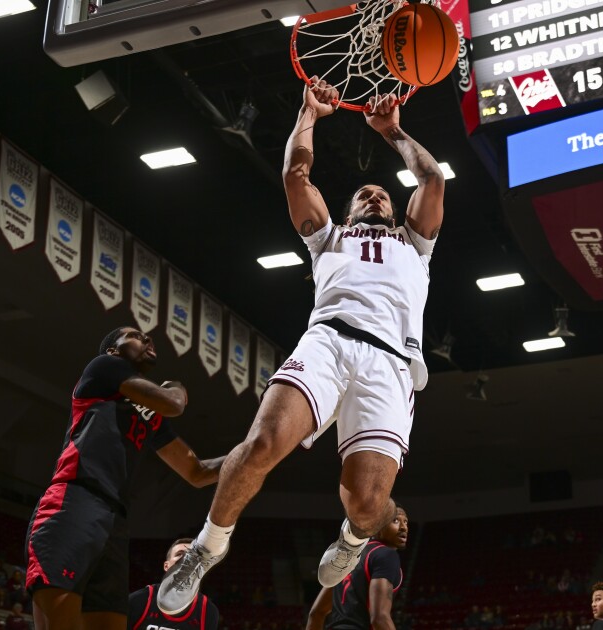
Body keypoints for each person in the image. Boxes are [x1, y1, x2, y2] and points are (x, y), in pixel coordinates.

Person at [158, 79, 446, 614]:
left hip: (391, 364)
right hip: (329, 341)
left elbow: (431, 177)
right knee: (263, 443)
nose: (374, 194)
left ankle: (354, 538)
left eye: (381, 192)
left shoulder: (416, 243)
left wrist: (393, 131)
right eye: (364, 194)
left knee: (366, 503)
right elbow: (296, 174)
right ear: (350, 209)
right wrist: (308, 114)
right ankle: (206, 548)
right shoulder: (328, 237)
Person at [26, 327, 225, 630]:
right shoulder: (103, 368)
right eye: (135, 335)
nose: (147, 339)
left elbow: (196, 472)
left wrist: (257, 453)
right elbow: (173, 403)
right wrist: (178, 388)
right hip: (75, 501)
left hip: (115, 522)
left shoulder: (148, 411)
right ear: (113, 350)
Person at [306, 507, 409, 630]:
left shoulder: (349, 556)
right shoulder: (386, 555)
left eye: (406, 521)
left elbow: (316, 614)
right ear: (377, 526)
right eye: (395, 521)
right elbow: (379, 618)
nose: (403, 527)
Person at [129, 539, 220, 630]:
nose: (186, 559)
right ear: (166, 566)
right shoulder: (139, 600)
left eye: (192, 556)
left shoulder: (208, 610)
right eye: (179, 554)